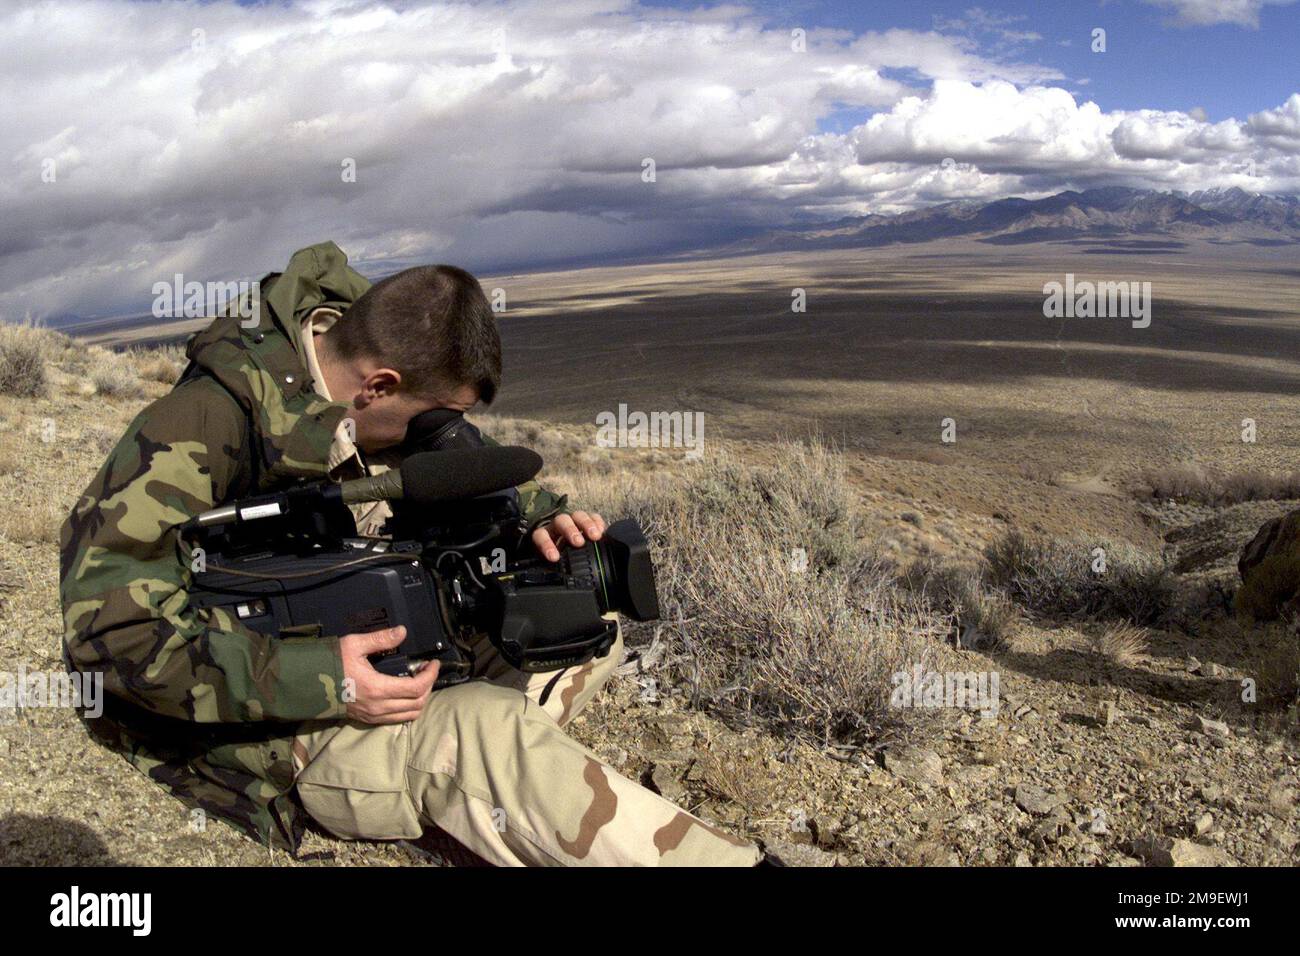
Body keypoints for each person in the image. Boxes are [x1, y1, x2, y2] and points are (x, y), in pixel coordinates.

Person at [59, 240, 761, 866]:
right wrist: (324, 680)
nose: (445, 435)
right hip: (263, 729)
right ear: (380, 385)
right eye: (438, 418)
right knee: (487, 730)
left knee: (581, 621)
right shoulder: (199, 427)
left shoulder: (392, 388)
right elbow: (107, 637)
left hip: (390, 638)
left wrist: (545, 529)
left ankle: (491, 778)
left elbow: (492, 486)